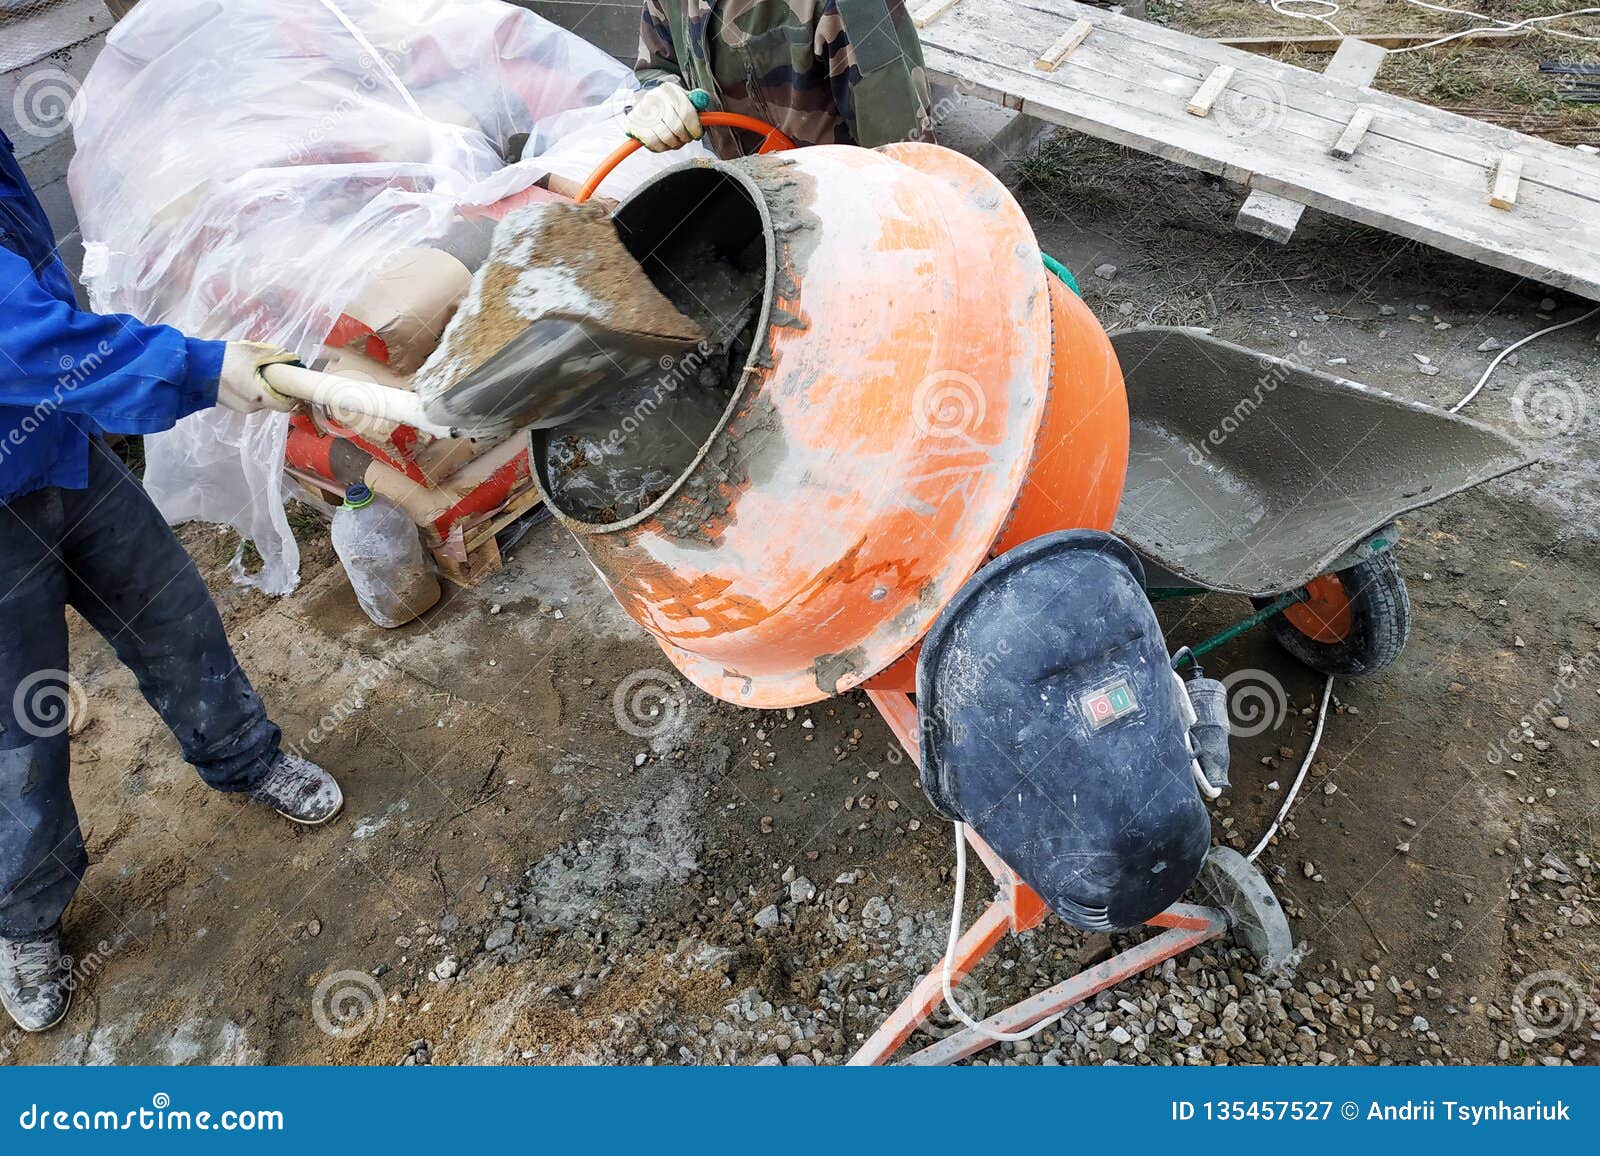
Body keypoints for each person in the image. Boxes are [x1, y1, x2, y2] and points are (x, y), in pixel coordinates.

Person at [0, 126, 345, 1035]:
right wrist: (202, 365)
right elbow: (18, 334)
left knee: (174, 619)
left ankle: (247, 759)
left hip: (59, 447)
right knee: (17, 723)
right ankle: (25, 919)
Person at [627, 0, 934, 157]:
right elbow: (657, 67)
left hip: (847, 204)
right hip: (760, 203)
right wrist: (658, 96)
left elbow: (906, 155)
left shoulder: (852, 5)